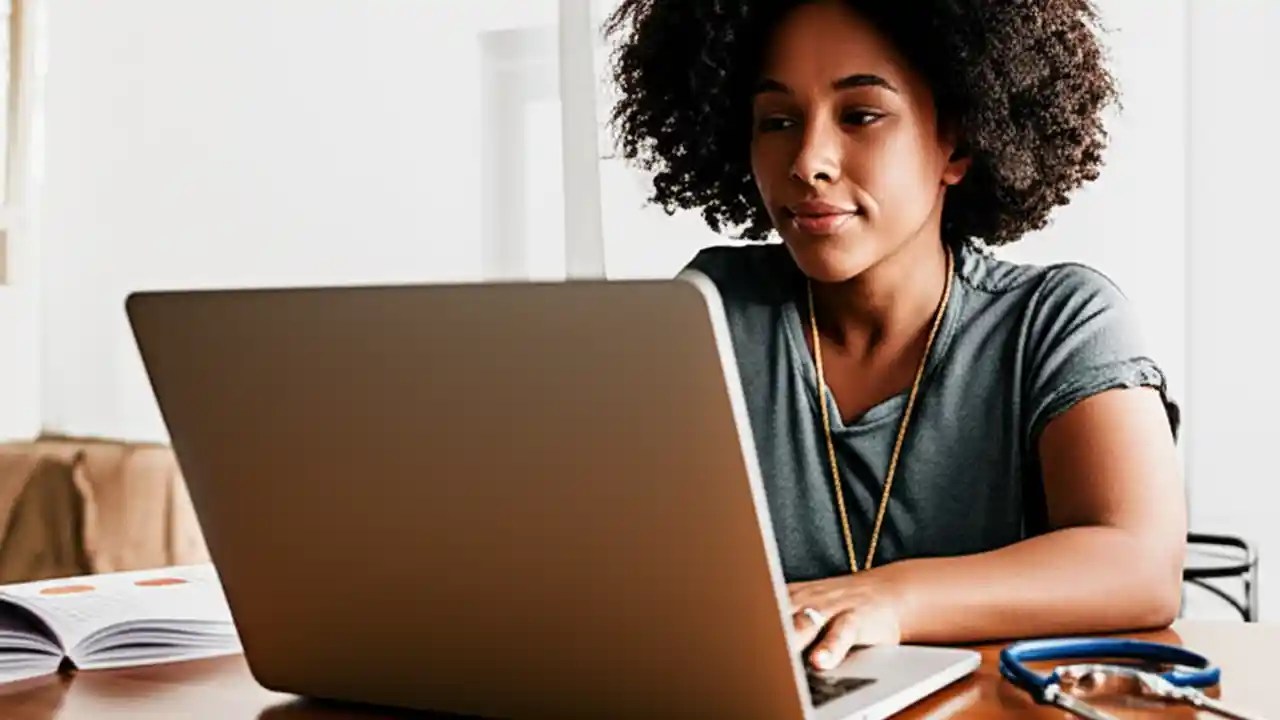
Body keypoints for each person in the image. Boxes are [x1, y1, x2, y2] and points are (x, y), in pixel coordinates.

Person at [603, 0, 1187, 672]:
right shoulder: (712, 310)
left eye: (860, 115)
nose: (808, 161)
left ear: (958, 144)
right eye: (778, 121)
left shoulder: (1058, 321)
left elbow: (1138, 564)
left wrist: (892, 600)